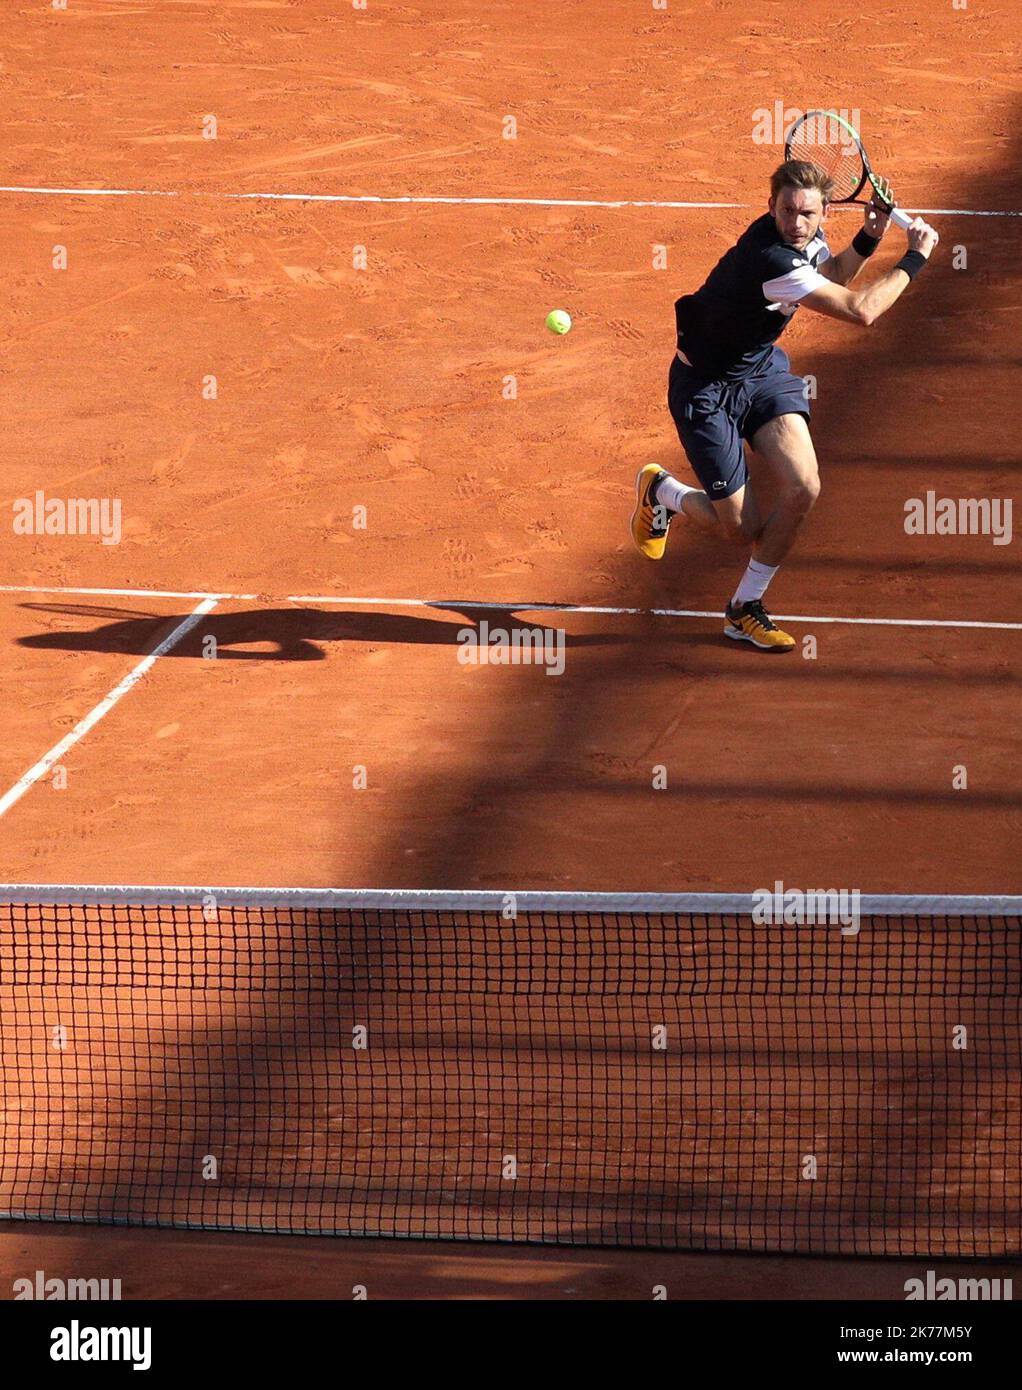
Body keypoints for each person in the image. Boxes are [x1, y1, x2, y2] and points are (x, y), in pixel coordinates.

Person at [630, 159, 939, 651]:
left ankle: (744, 608)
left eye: (808, 213)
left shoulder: (801, 245)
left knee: (803, 487)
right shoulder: (771, 257)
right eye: (788, 210)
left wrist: (871, 236)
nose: (797, 222)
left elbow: (829, 273)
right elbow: (861, 310)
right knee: (743, 528)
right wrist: (914, 257)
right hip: (704, 390)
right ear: (770, 206)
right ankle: (662, 493)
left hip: (759, 372)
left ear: (823, 213)